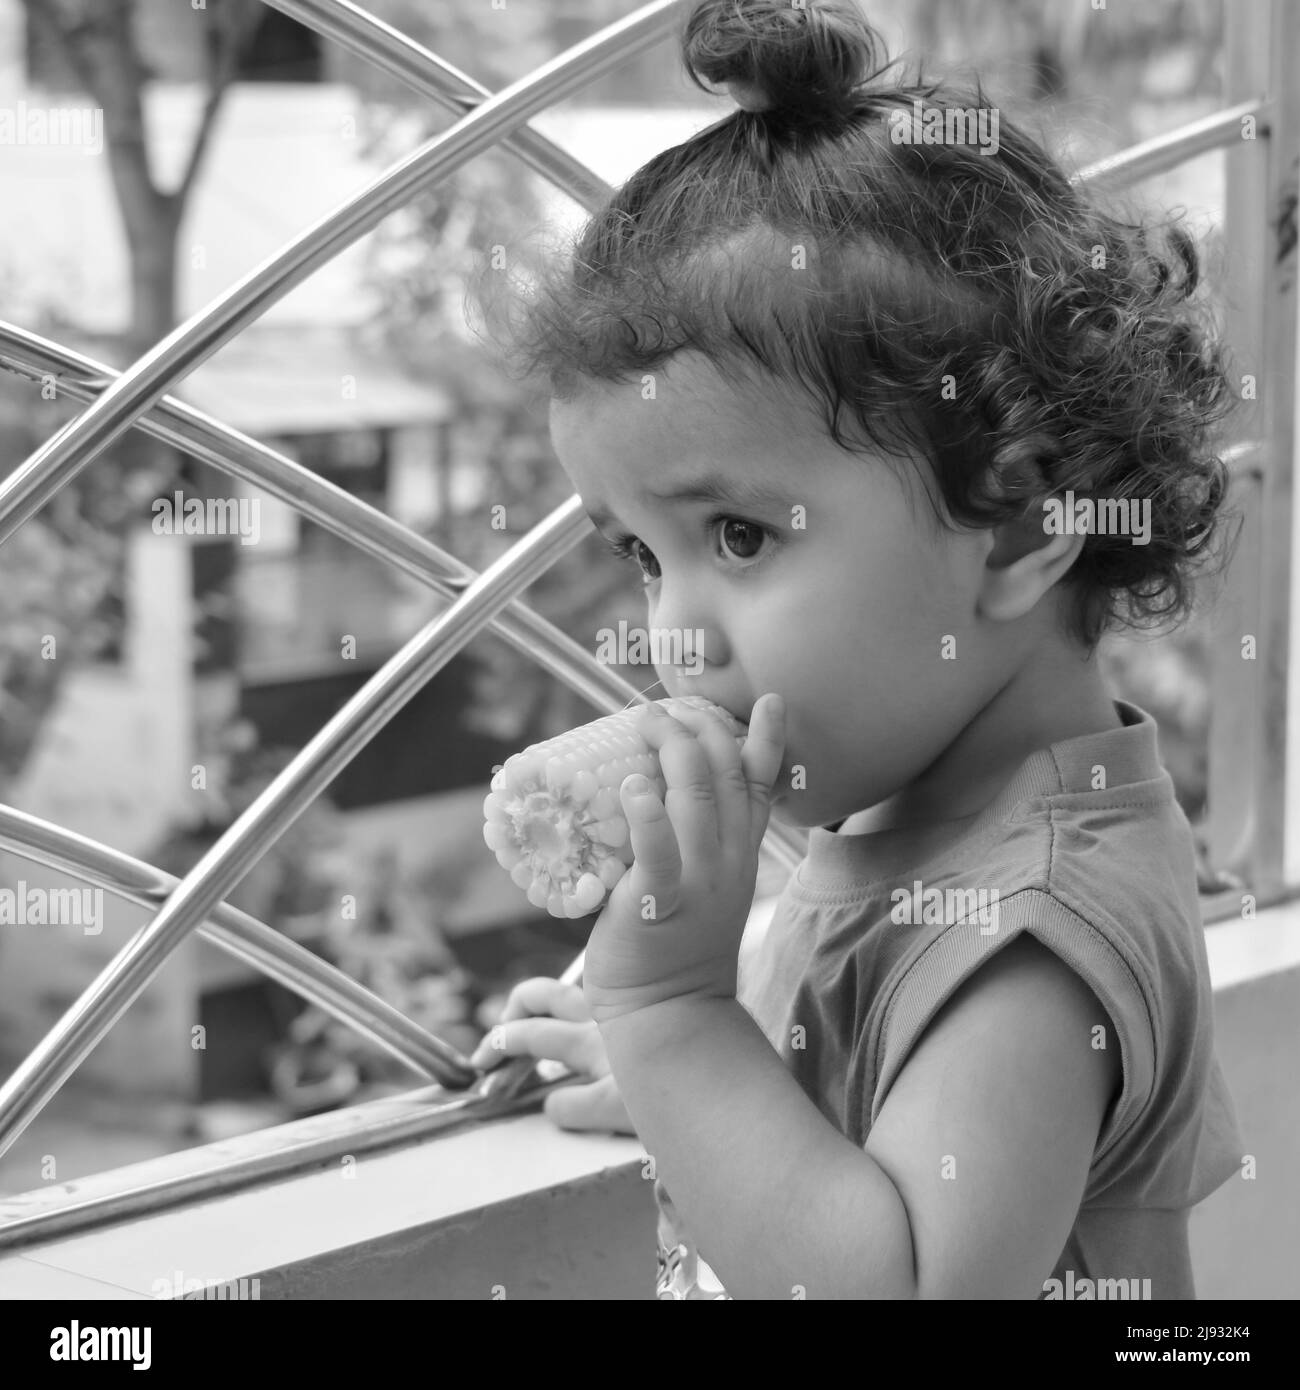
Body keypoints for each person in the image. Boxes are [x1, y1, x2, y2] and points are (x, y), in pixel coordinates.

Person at [469, 0, 1244, 1299]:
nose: (673, 636)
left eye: (740, 534)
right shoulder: (928, 819)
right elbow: (863, 1140)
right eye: (642, 554)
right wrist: (705, 1091)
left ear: (1014, 528)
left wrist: (675, 1020)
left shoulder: (1032, 933)